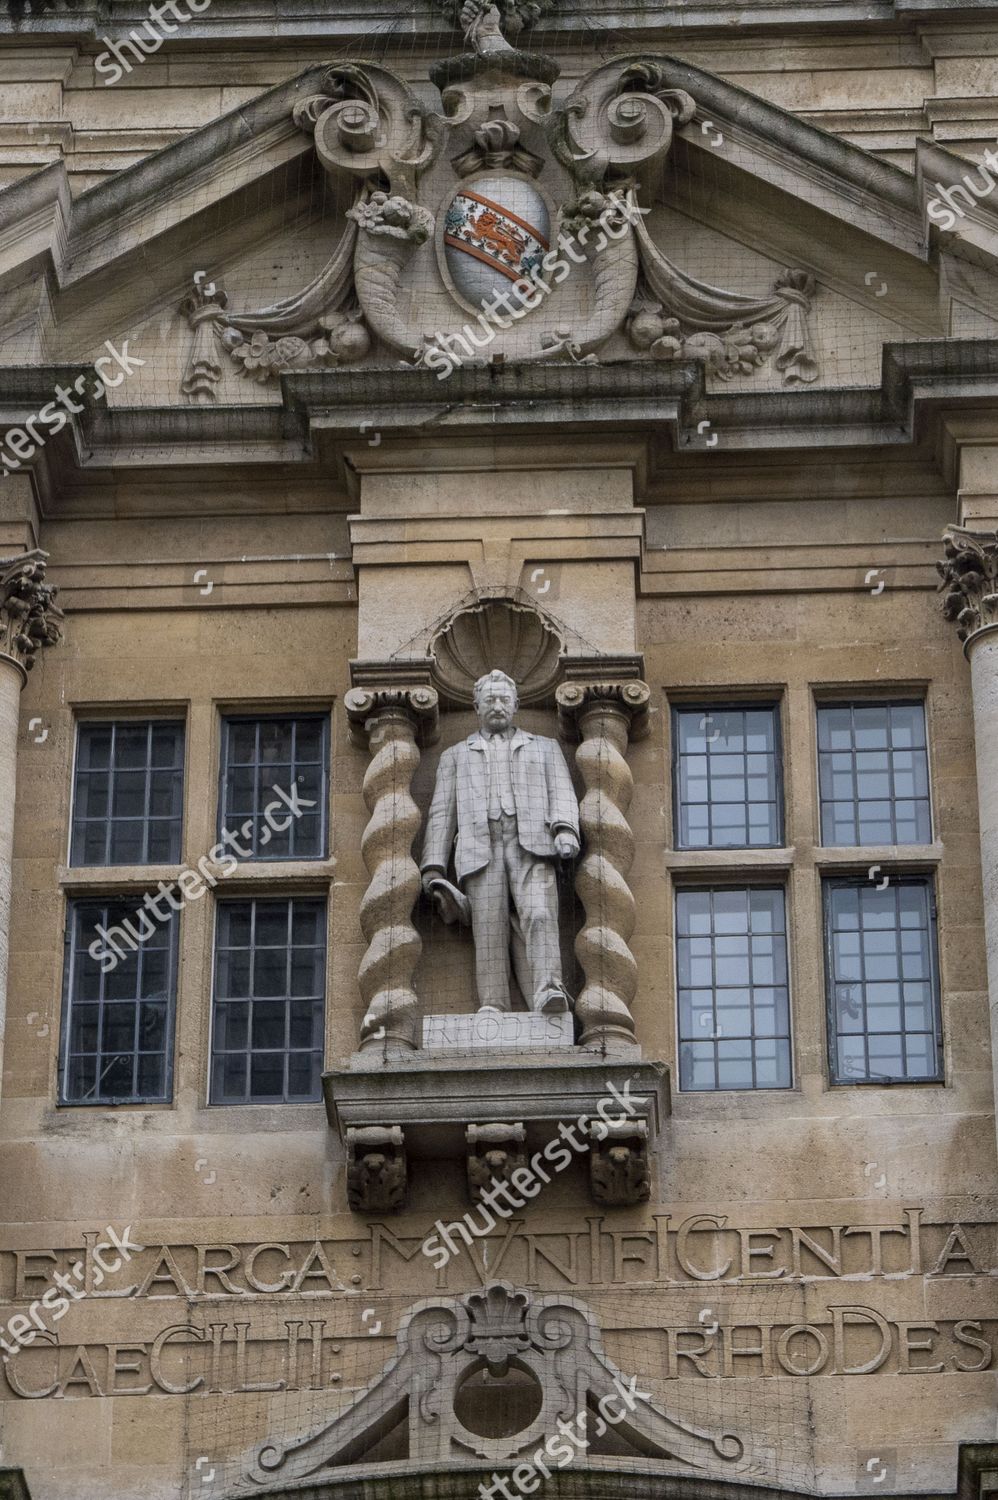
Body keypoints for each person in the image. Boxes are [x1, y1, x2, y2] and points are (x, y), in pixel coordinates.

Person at [421, 669, 581, 1014]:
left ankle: (548, 989)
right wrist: (433, 866)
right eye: (489, 700)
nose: (497, 705)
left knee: (539, 913)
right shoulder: (455, 756)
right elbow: (441, 814)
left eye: (504, 699)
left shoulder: (545, 748)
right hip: (480, 848)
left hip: (533, 844)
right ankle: (493, 1004)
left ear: (517, 704)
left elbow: (562, 792)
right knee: (489, 928)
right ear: (476, 707)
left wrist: (565, 828)